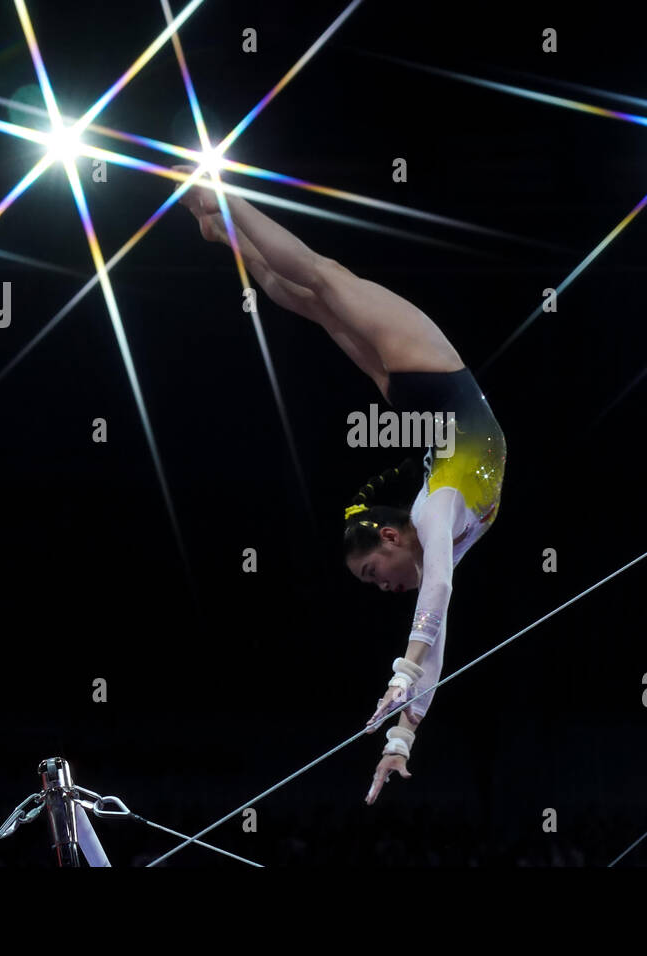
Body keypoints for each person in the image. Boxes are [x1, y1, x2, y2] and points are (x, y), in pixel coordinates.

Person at [176, 166, 506, 805]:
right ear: (391, 536)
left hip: (418, 397)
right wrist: (403, 723)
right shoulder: (436, 515)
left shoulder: (435, 520)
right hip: (434, 369)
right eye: (375, 574)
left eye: (372, 578)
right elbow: (437, 601)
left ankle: (226, 231)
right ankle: (224, 201)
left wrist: (402, 707)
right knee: (323, 278)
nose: (383, 586)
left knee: (313, 303)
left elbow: (432, 611)